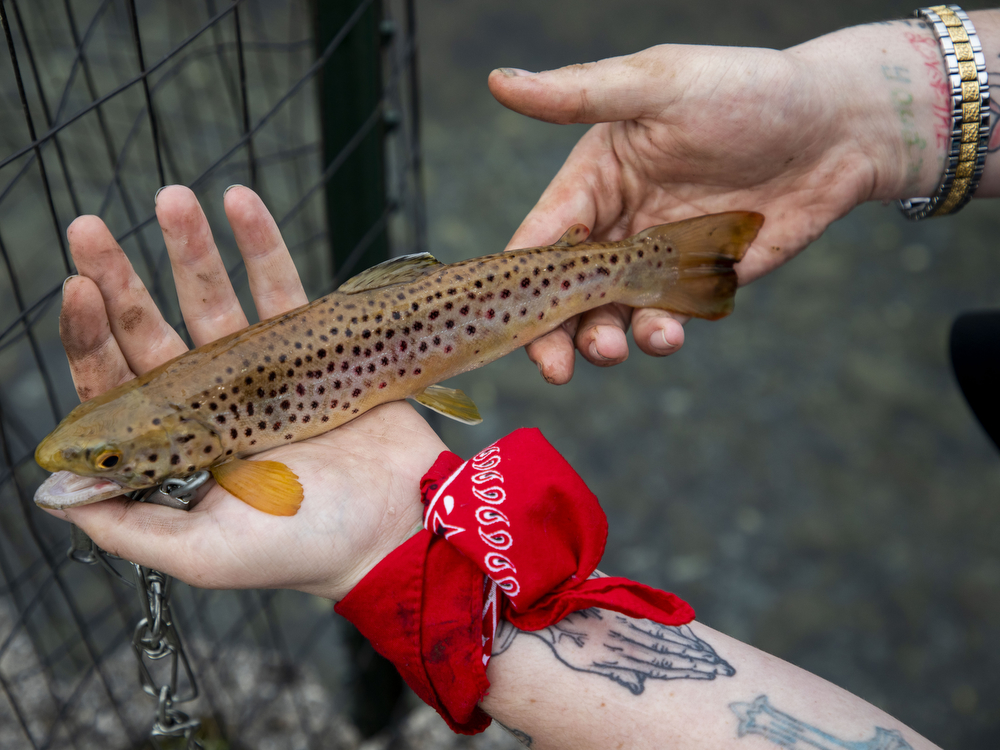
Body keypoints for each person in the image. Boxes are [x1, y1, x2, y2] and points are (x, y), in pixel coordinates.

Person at [42, 7, 999, 749]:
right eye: (119, 452)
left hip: (440, 321)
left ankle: (646, 264)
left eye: (119, 452)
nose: (110, 462)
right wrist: (848, 116)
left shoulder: (221, 448)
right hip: (434, 323)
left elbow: (274, 485)